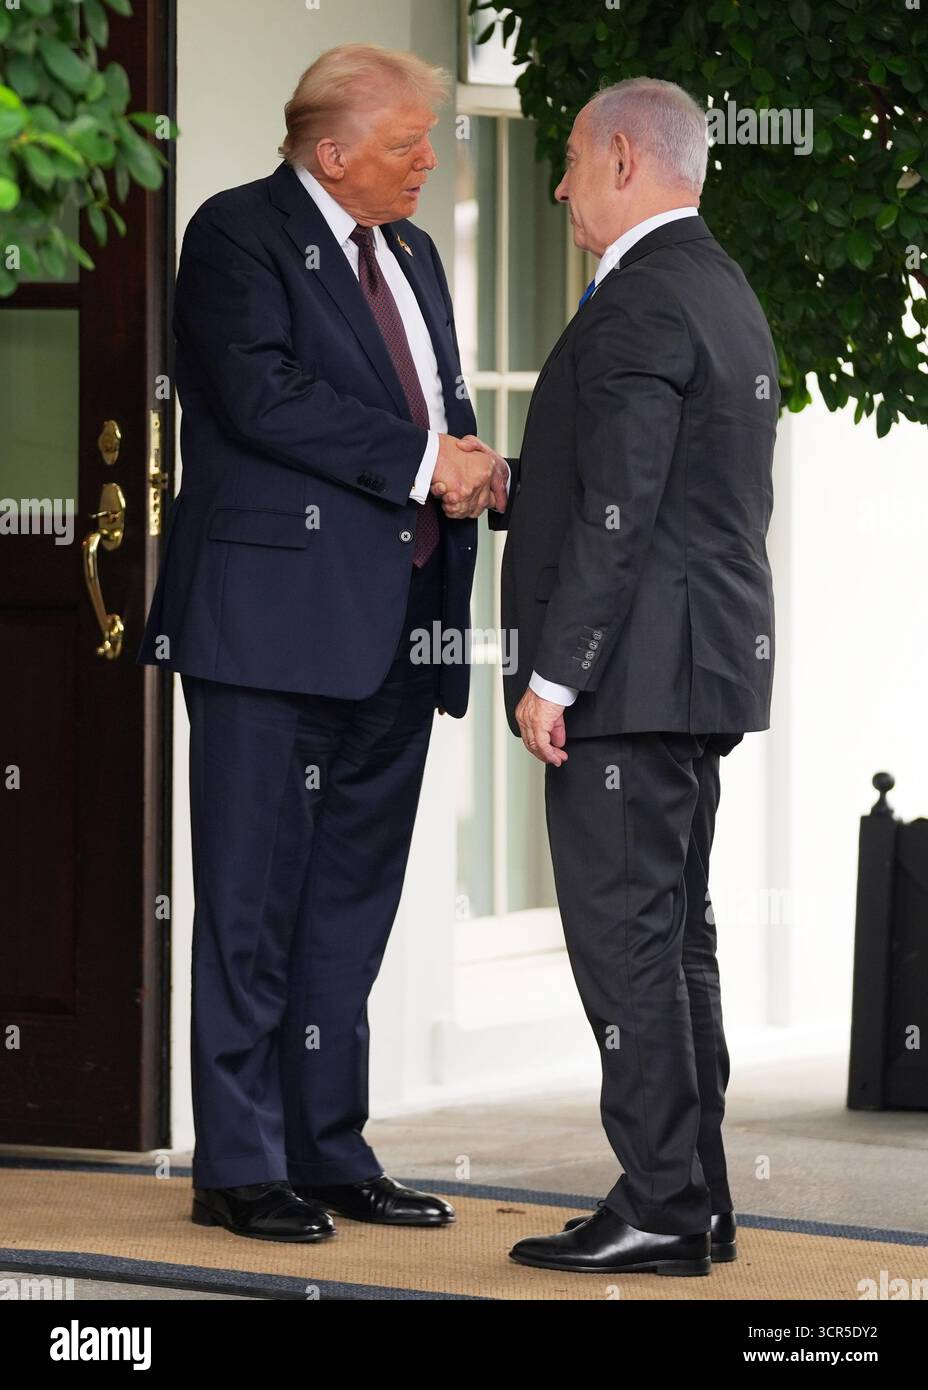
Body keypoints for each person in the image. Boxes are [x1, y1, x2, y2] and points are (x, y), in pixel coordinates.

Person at [137, 43, 506, 1243]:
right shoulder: (236, 233)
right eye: (410, 144)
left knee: (349, 906)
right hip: (266, 635)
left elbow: (430, 405)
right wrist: (421, 461)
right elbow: (260, 393)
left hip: (402, 627)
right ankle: (238, 1167)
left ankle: (326, 1148)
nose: (428, 164)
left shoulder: (409, 250)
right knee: (249, 907)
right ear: (331, 150)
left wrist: (470, 462)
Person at [486, 77, 779, 1276]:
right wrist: (514, 482)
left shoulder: (639, 300)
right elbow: (629, 482)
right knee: (671, 941)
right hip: (692, 672)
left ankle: (659, 1199)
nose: (554, 186)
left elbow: (622, 509)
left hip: (629, 678)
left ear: (619, 157)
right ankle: (692, 1195)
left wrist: (555, 676)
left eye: (563, 160)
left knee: (623, 944)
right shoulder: (717, 286)